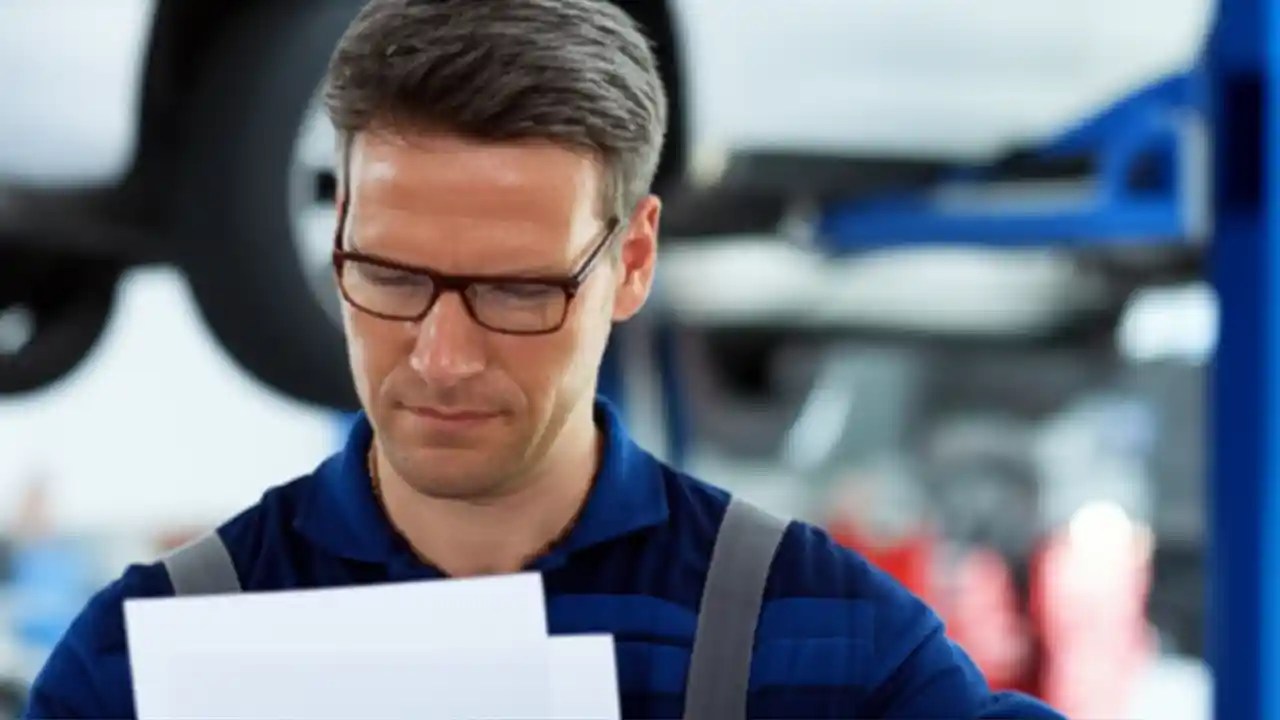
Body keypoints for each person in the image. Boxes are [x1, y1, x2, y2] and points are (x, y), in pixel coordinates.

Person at [24, 1, 1065, 718]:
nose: (437, 356)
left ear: (633, 259)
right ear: (336, 225)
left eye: (516, 292)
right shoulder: (138, 666)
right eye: (387, 276)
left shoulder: (819, 648)